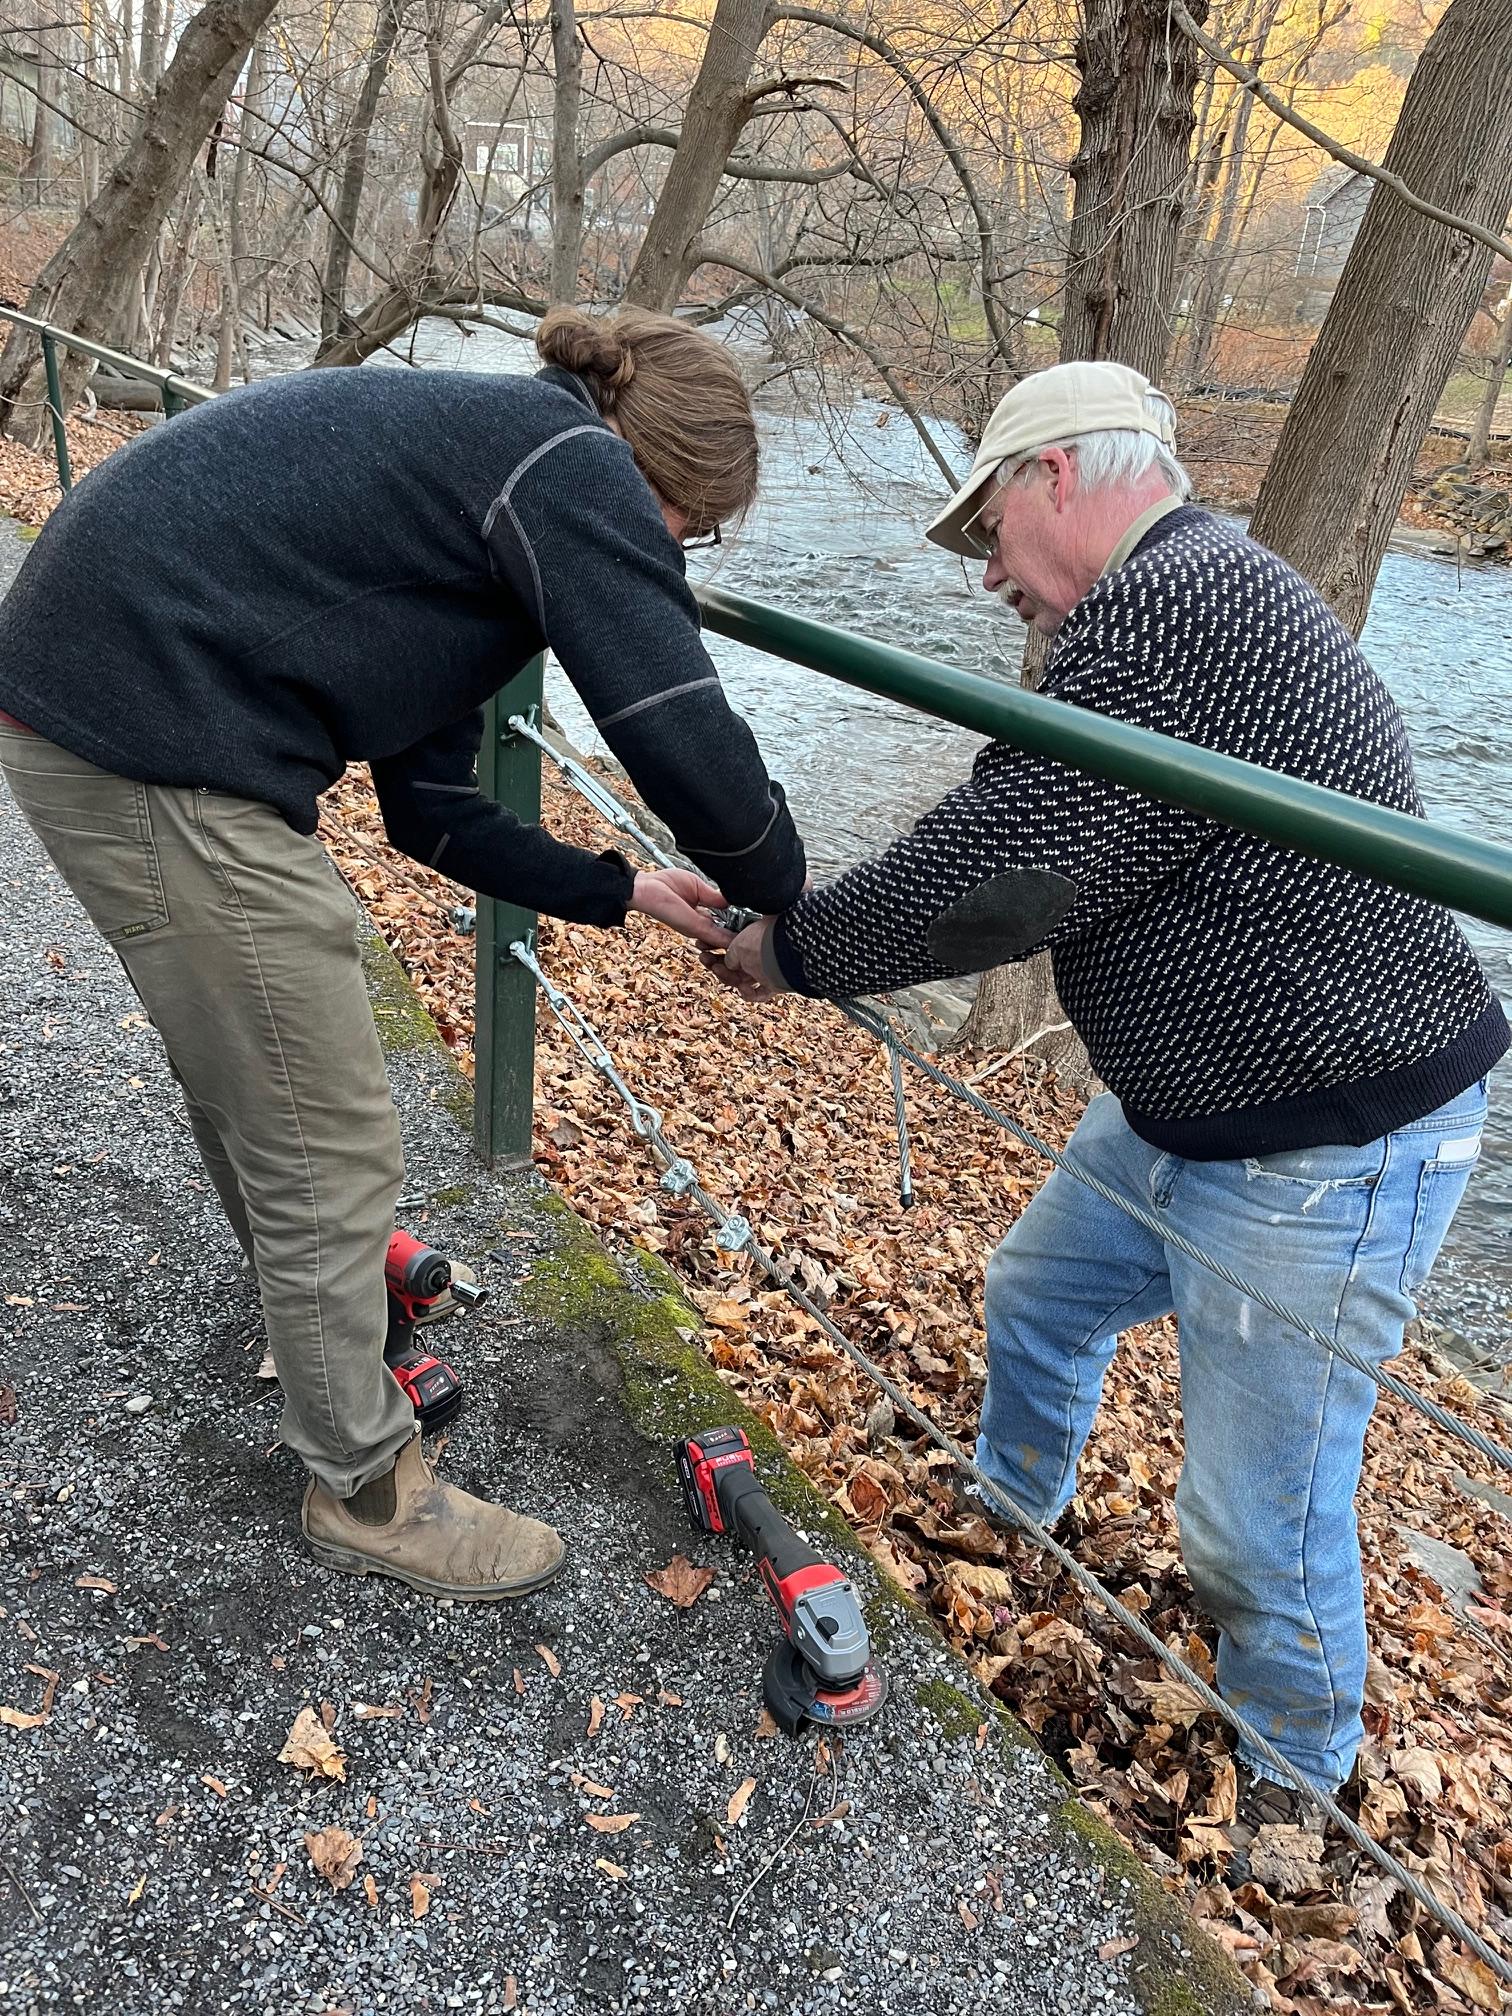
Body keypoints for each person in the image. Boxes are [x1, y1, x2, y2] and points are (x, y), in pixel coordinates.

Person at [712, 360, 1506, 1838]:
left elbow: (1010, 863)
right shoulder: (1171, 602)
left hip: (1332, 1138)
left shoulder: (1176, 605)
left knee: (1255, 1520)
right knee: (1040, 1295)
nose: (990, 573)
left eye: (990, 530)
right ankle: (1009, 1507)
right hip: (1189, 1108)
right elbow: (1038, 842)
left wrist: (795, 946)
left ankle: (1291, 1797)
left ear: (1057, 478)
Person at [0, 306, 806, 1603]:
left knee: (264, 1078)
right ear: (662, 486)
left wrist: (627, 890)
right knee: (327, 1127)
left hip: (111, 711)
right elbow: (680, 729)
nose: (673, 557)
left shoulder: (483, 485)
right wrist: (789, 905)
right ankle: (370, 1491)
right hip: (149, 731)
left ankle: (313, 1343)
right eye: (691, 537)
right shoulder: (567, 466)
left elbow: (430, 812)